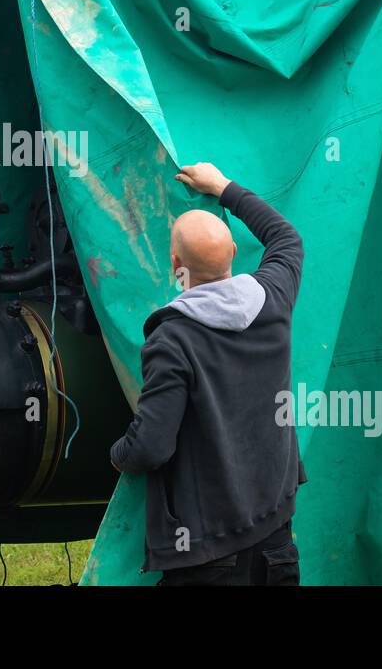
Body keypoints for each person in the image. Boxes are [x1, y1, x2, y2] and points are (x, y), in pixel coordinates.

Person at [110, 161, 307, 586]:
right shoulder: (274, 298)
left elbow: (149, 448)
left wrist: (116, 453)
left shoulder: (172, 341)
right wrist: (223, 187)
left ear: (175, 263)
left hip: (206, 558)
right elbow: (286, 237)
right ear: (235, 252)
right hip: (277, 546)